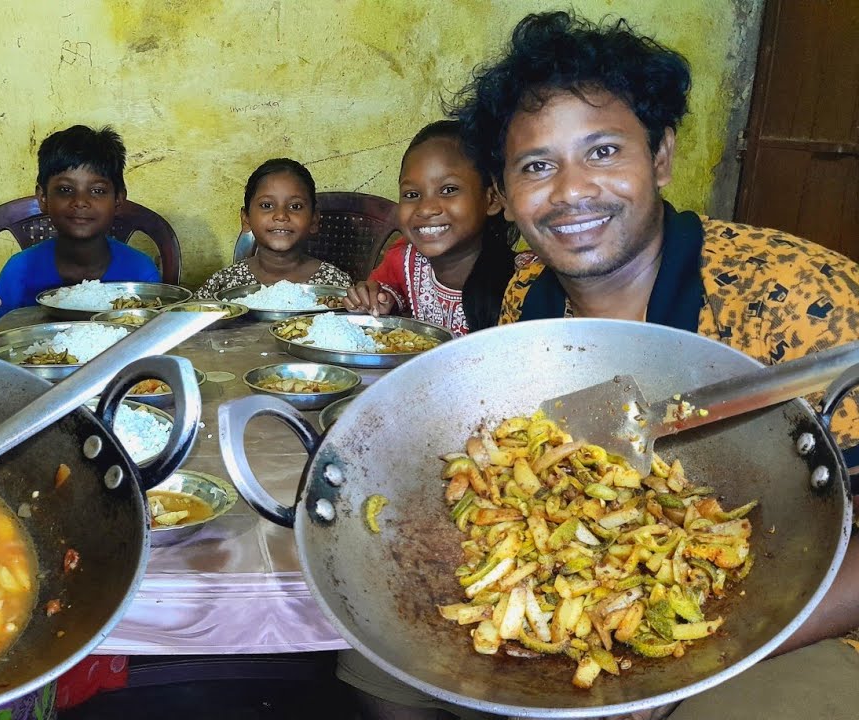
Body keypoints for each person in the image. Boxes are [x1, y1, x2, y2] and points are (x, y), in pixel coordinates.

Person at [348, 11, 859, 720]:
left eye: (603, 152)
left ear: (660, 158)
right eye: (536, 166)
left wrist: (685, 673)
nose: (570, 191)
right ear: (505, 189)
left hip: (812, 620)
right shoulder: (530, 298)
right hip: (582, 600)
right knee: (377, 664)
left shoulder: (795, 295)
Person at [343, 121, 514, 336]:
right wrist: (372, 300)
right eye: (412, 195)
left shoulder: (525, 280)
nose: (426, 209)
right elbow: (378, 295)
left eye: (449, 190)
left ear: (492, 200)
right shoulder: (403, 260)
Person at [0, 125, 159, 322]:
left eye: (97, 191)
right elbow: (1, 337)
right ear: (43, 197)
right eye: (65, 190)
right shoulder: (18, 271)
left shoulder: (140, 272)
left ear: (118, 199)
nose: (80, 202)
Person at [194, 158, 351, 298]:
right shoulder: (225, 283)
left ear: (314, 220)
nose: (281, 216)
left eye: (295, 206)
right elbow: (190, 320)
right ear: (246, 218)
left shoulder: (334, 284)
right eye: (266, 205)